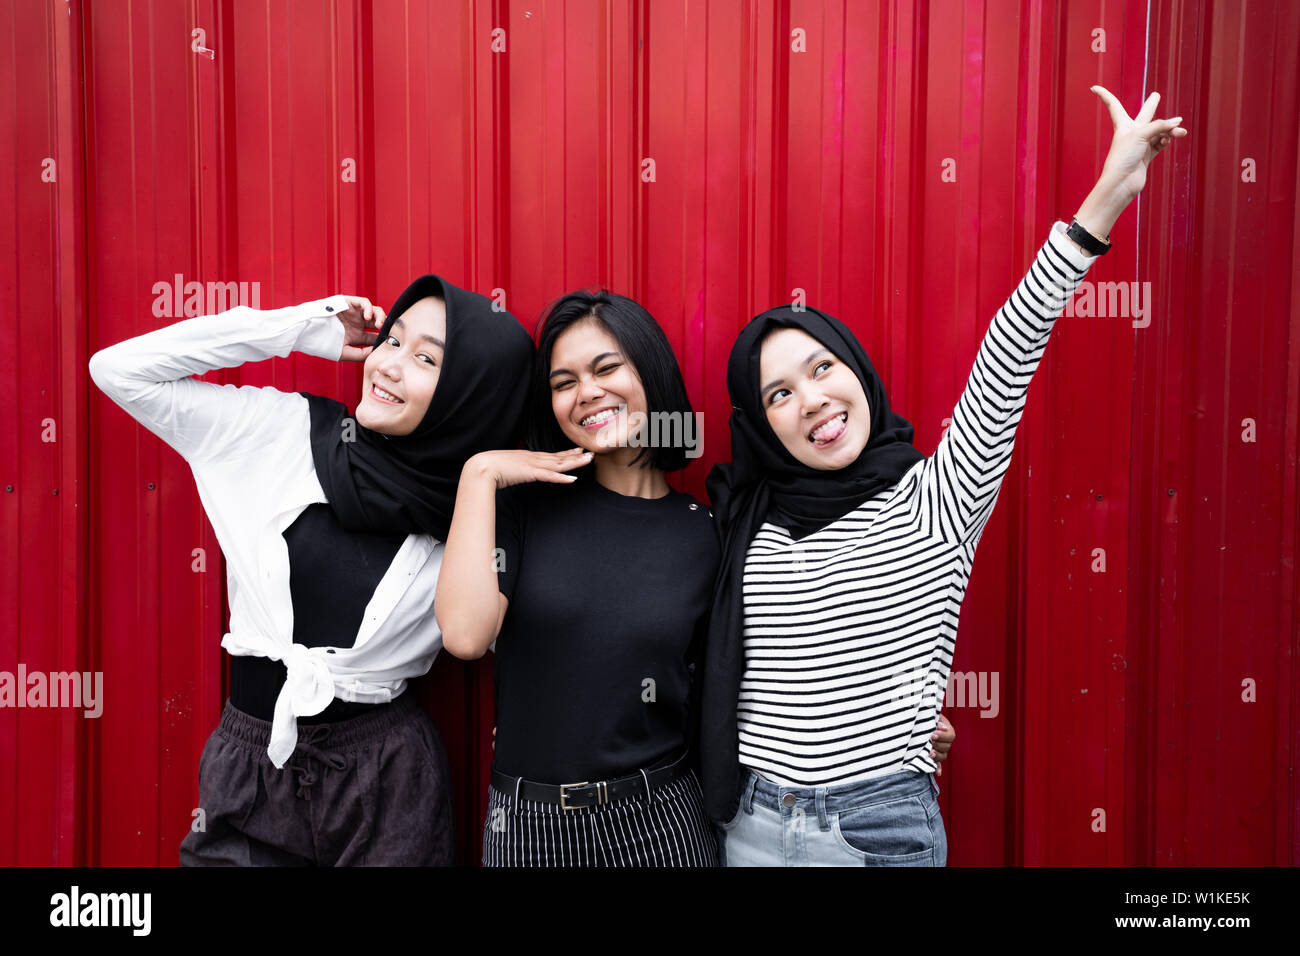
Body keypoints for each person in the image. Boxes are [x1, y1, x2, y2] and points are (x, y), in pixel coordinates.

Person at [699, 87, 1187, 866]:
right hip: (750, 823)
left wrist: (1103, 202)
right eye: (779, 394)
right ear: (762, 425)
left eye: (822, 367)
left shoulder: (939, 495)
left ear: (855, 369)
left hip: (878, 830)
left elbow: (1009, 351)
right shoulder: (746, 518)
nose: (812, 400)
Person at [88, 274, 533, 865]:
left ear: (474, 394)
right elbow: (118, 370)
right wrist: (300, 329)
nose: (389, 366)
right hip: (252, 766)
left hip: (389, 781)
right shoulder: (282, 433)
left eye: (426, 358)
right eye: (392, 342)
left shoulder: (483, 511)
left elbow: (508, 641)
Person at [436, 290, 722, 866]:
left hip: (663, 818)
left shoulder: (706, 532)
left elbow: (743, 675)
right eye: (563, 382)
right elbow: (465, 637)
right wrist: (480, 473)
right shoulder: (524, 507)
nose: (587, 392)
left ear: (652, 371)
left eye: (606, 367)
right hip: (528, 825)